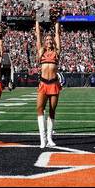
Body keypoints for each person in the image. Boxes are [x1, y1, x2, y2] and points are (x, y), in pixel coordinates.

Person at [35, 19, 62, 147]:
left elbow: (58, 36)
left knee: (52, 110)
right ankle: (42, 138)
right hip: (43, 83)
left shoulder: (56, 53)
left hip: (54, 84)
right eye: (47, 40)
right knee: (40, 109)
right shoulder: (41, 52)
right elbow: (38, 38)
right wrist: (37, 21)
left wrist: (56, 22)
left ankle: (50, 138)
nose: (49, 41)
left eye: (51, 40)